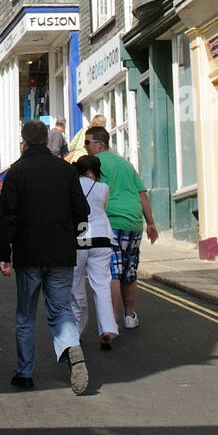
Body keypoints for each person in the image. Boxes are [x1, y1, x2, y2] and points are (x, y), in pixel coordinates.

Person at [0, 119, 91, 394]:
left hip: (28, 253)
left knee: (25, 315)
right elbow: (81, 210)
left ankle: (25, 373)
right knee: (60, 309)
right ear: (47, 141)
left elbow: (7, 218)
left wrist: (3, 252)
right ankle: (72, 347)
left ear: (23, 141)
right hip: (61, 252)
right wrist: (74, 237)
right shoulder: (66, 171)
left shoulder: (17, 173)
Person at [83, 121, 158, 330]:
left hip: (111, 221)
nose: (86, 147)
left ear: (99, 144)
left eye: (88, 143)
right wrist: (150, 223)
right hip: (134, 222)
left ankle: (111, 320)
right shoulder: (125, 164)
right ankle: (130, 315)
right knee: (130, 271)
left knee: (113, 272)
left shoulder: (93, 163)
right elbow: (141, 194)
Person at [71, 155, 120, 350]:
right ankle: (108, 329)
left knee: (75, 286)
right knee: (101, 286)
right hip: (102, 237)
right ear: (95, 171)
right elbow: (100, 209)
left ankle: (75, 330)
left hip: (81, 234)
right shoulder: (103, 188)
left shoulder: (72, 186)